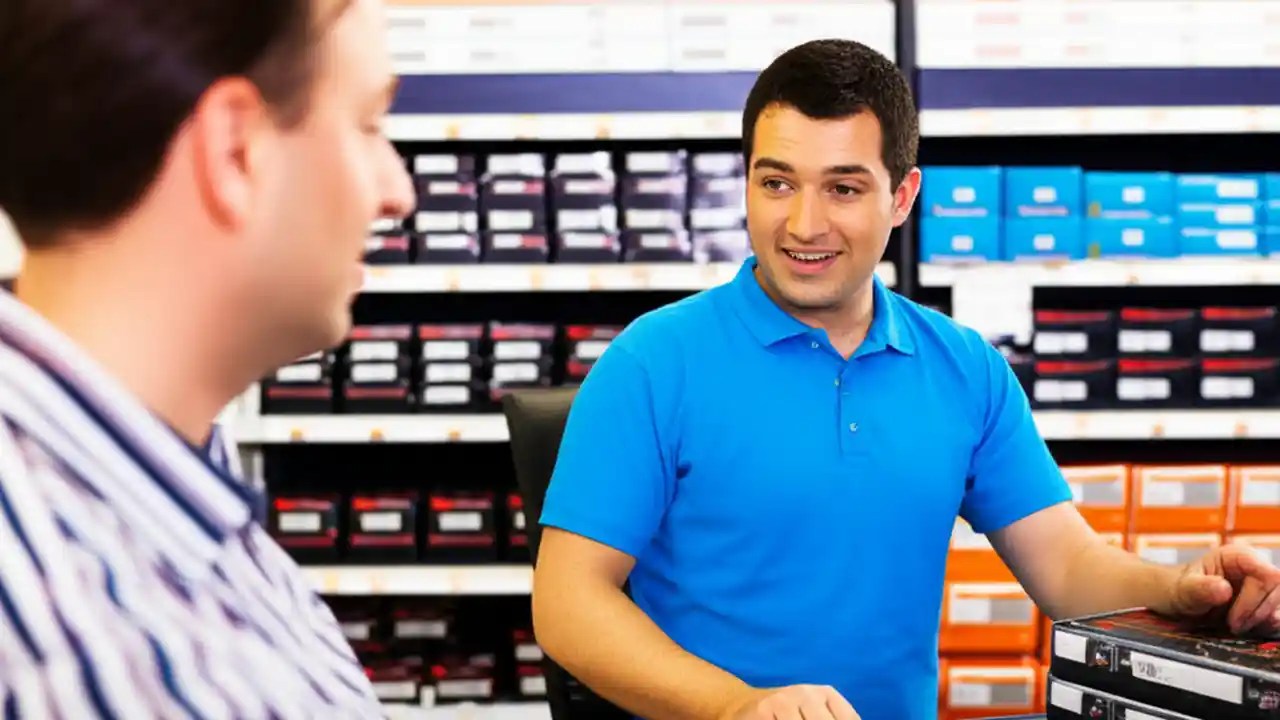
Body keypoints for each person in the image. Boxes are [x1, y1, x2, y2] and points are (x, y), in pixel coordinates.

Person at [533, 38, 1280, 720]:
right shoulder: (652, 363)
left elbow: (1067, 568)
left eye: (844, 188)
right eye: (778, 182)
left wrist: (1178, 590)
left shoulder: (967, 369)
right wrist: (738, 707)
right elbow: (567, 603)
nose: (804, 224)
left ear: (902, 197)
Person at [0, 0, 413, 716]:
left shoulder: (168, 501)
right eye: (368, 125)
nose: (398, 194)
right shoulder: (92, 656)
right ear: (234, 152)